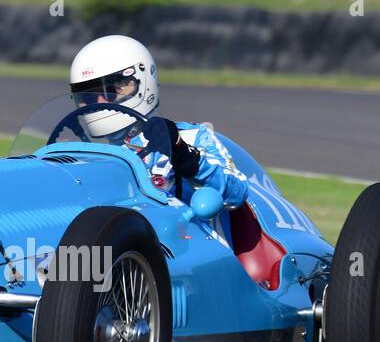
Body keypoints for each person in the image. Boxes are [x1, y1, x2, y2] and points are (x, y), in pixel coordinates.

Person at [67, 35, 248, 223]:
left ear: (141, 82)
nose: (100, 103)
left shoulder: (191, 137)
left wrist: (185, 157)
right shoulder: (87, 157)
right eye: (88, 97)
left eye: (110, 91)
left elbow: (237, 194)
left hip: (185, 241)